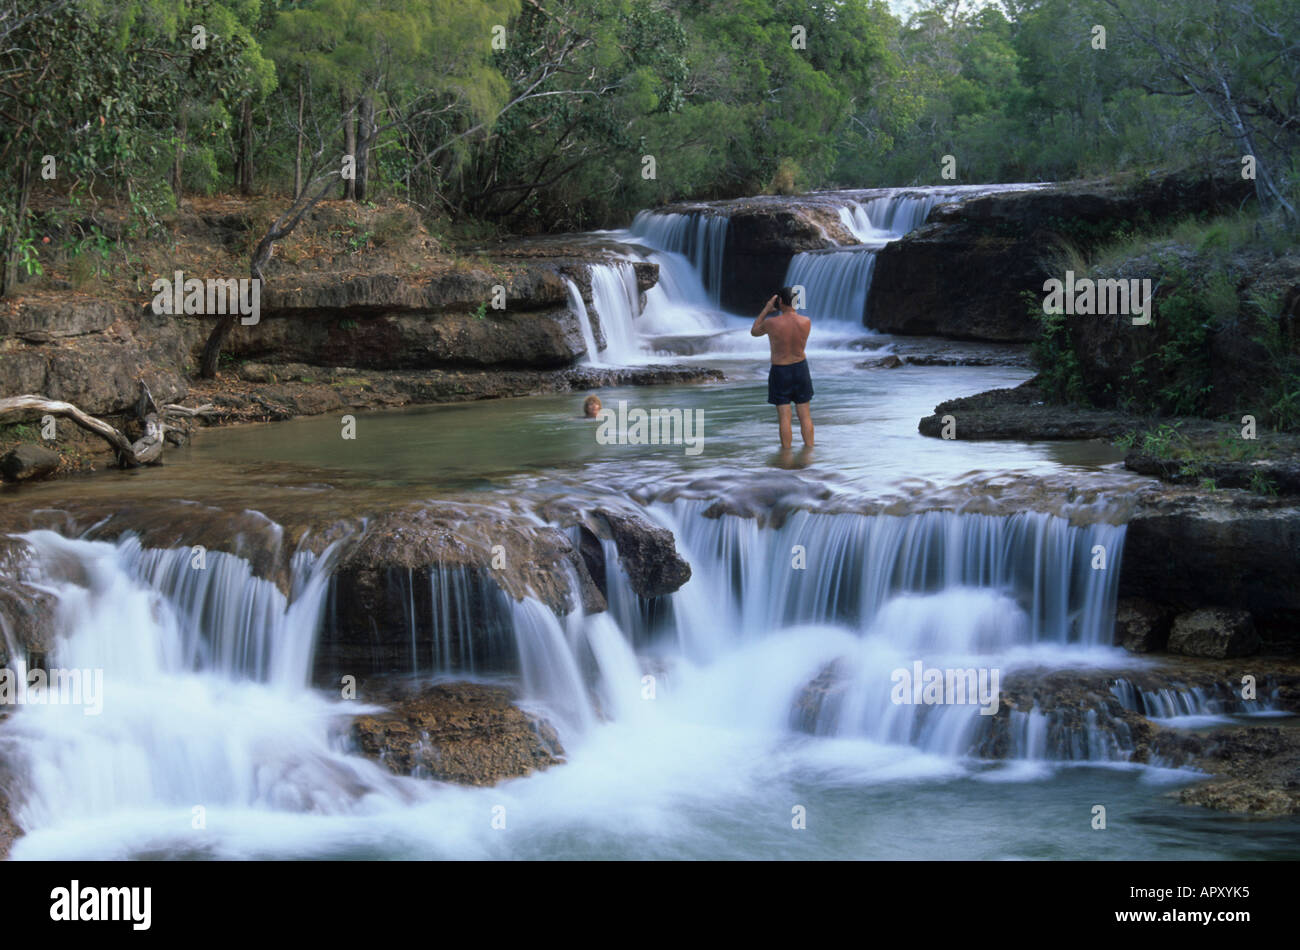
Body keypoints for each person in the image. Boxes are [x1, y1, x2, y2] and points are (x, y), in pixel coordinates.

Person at [750, 286, 813, 447]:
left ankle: (786, 455)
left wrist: (766, 309)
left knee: (785, 417)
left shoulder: (772, 323)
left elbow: (754, 331)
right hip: (801, 369)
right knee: (805, 415)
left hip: (781, 370)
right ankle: (810, 452)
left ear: (779, 301)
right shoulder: (806, 322)